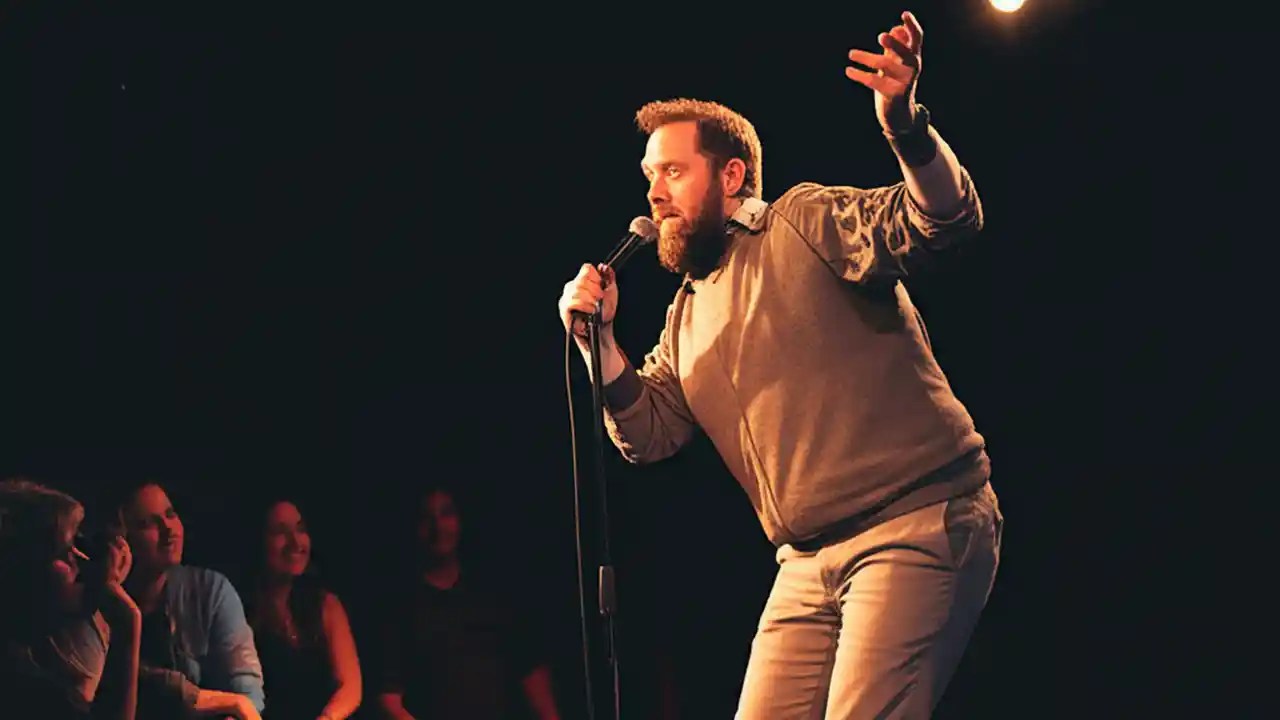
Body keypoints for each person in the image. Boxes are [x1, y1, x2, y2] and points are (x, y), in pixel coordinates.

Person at [556, 11, 1003, 719]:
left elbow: (942, 220)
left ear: (731, 175)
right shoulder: (686, 313)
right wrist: (599, 345)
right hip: (803, 563)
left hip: (911, 523)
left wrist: (905, 126)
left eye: (672, 171)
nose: (654, 193)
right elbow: (648, 433)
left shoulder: (801, 222)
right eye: (649, 176)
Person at [375, 484, 561, 720]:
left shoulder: (491, 594)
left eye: (446, 514)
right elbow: (388, 698)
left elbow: (531, 669)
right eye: (427, 518)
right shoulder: (401, 607)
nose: (438, 527)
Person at [112, 481, 265, 719]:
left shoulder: (211, 591)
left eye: (170, 514)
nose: (168, 529)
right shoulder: (98, 604)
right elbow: (124, 679)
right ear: (121, 541)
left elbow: (246, 688)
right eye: (148, 523)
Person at [0, 477, 141, 720]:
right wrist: (126, 625)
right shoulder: (19, 678)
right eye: (65, 550)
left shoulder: (34, 649)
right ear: (25, 564)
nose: (82, 560)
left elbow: (145, 680)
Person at [244, 499, 362, 720]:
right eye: (281, 531)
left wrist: (327, 718)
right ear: (258, 541)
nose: (295, 541)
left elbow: (351, 687)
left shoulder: (325, 604)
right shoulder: (242, 613)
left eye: (300, 529)